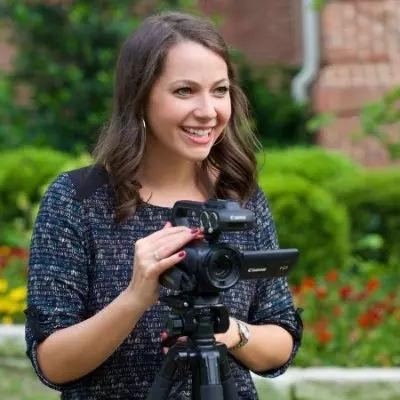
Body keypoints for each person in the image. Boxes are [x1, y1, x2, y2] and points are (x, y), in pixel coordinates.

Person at [25, 11, 303, 400]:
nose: (208, 111)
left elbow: (280, 343)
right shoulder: (79, 199)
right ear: (140, 99)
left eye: (219, 90)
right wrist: (135, 299)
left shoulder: (238, 197)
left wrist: (226, 330)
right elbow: (51, 364)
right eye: (184, 91)